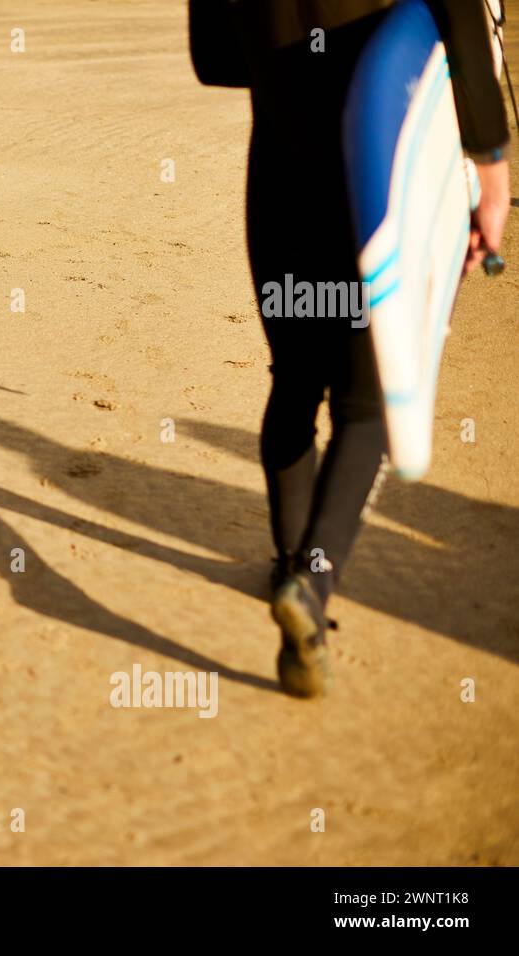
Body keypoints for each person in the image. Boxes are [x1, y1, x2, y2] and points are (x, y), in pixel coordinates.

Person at [194, 0, 511, 697]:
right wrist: (490, 163)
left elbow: (213, 60)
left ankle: (284, 563)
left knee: (294, 381)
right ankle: (311, 582)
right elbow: (461, 16)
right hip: (372, 172)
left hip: (277, 176)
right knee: (366, 409)